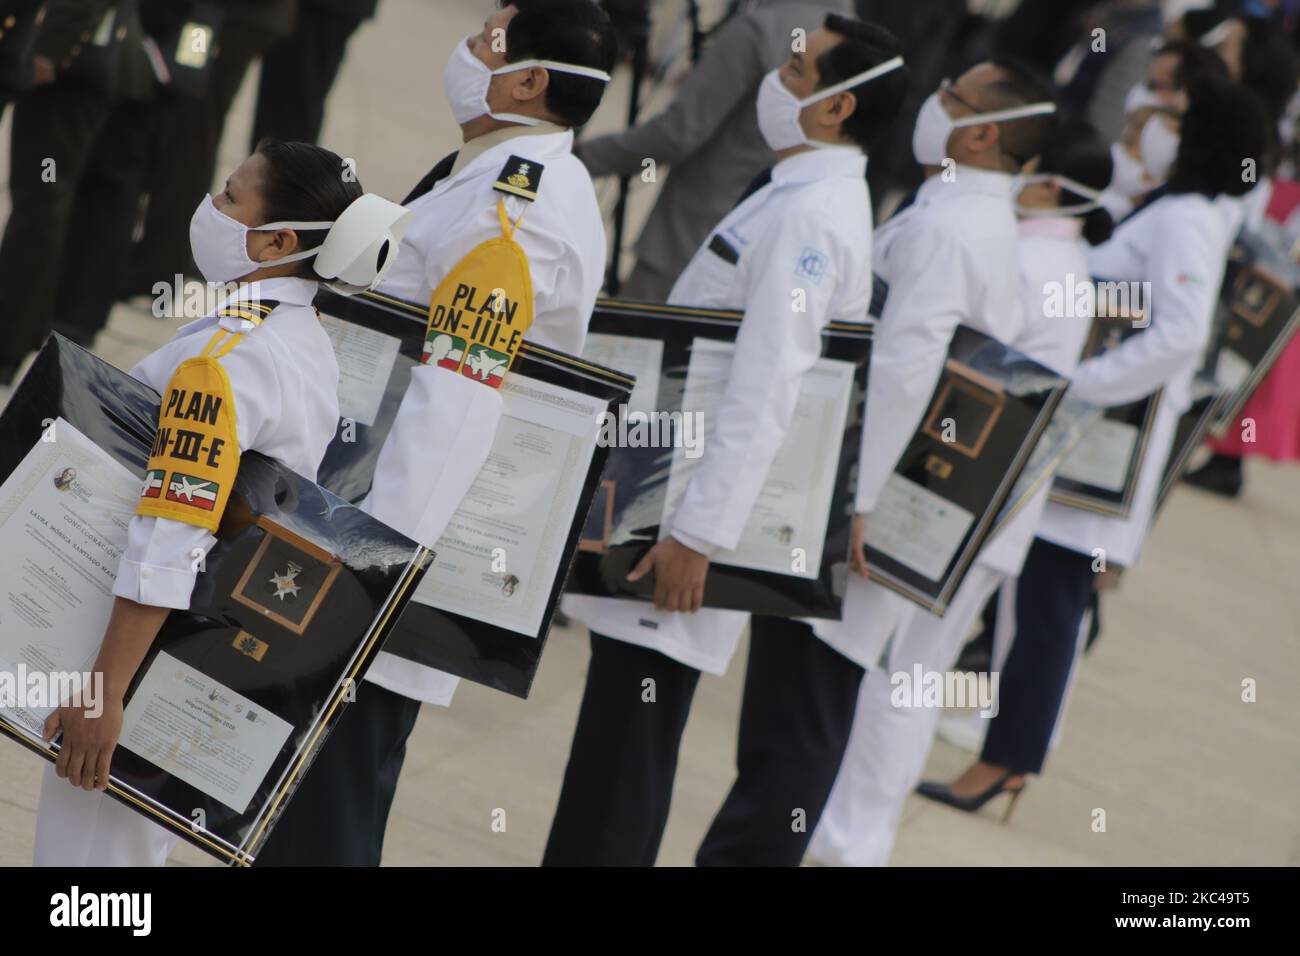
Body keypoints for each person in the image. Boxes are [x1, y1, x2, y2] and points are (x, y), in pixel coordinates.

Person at [251, 0, 617, 867]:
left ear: (528, 80)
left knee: (326, 805)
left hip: (391, 543)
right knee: (305, 796)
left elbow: (457, 397)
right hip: (370, 512)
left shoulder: (513, 206)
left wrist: (369, 572)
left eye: (487, 39)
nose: (466, 48)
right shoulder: (499, 170)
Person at [548, 15, 909, 867]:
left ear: (835, 106)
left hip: (683, 512)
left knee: (624, 757)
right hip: (664, 488)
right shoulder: (794, 187)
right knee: (613, 749)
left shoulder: (812, 217)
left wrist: (700, 533)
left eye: (794, 69)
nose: (771, 79)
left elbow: (769, 386)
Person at [686, 58, 1058, 867]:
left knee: (800, 714)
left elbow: (903, 371)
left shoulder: (950, 227)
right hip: (877, 495)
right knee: (802, 710)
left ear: (983, 131)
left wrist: (851, 504)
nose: (936, 102)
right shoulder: (966, 216)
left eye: (952, 97)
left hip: (862, 507)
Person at [33, 139, 411, 866]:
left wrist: (104, 692)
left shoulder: (232, 354)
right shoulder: (302, 337)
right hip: (200, 650)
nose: (212, 204)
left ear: (273, 242)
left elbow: (171, 531)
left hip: (142, 653)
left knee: (85, 874)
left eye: (232, 196)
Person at [917, 74, 1266, 817]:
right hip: (1087, 441)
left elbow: (1179, 334)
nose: (1154, 115)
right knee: (1041, 602)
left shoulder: (1191, 219)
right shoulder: (1174, 203)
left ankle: (1006, 761)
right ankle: (1004, 754)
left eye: (1176, 108)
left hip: (1098, 445)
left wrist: (1076, 384)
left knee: (1045, 607)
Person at [807, 120, 1114, 867]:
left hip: (957, 502)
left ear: (1045, 182)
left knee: (893, 673)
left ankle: (850, 836)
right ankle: (858, 834)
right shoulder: (1065, 259)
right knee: (914, 673)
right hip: (989, 507)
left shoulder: (1037, 261)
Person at [576, 0, 850, 300]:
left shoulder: (758, 30)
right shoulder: (852, 40)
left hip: (686, 242)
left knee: (624, 344)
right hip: (761, 258)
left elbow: (677, 134)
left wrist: (580, 157)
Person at [250, 0, 380, 146]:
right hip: (333, 10)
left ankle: (279, 166)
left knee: (287, 112)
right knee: (297, 104)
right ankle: (284, 163)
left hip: (315, 9)